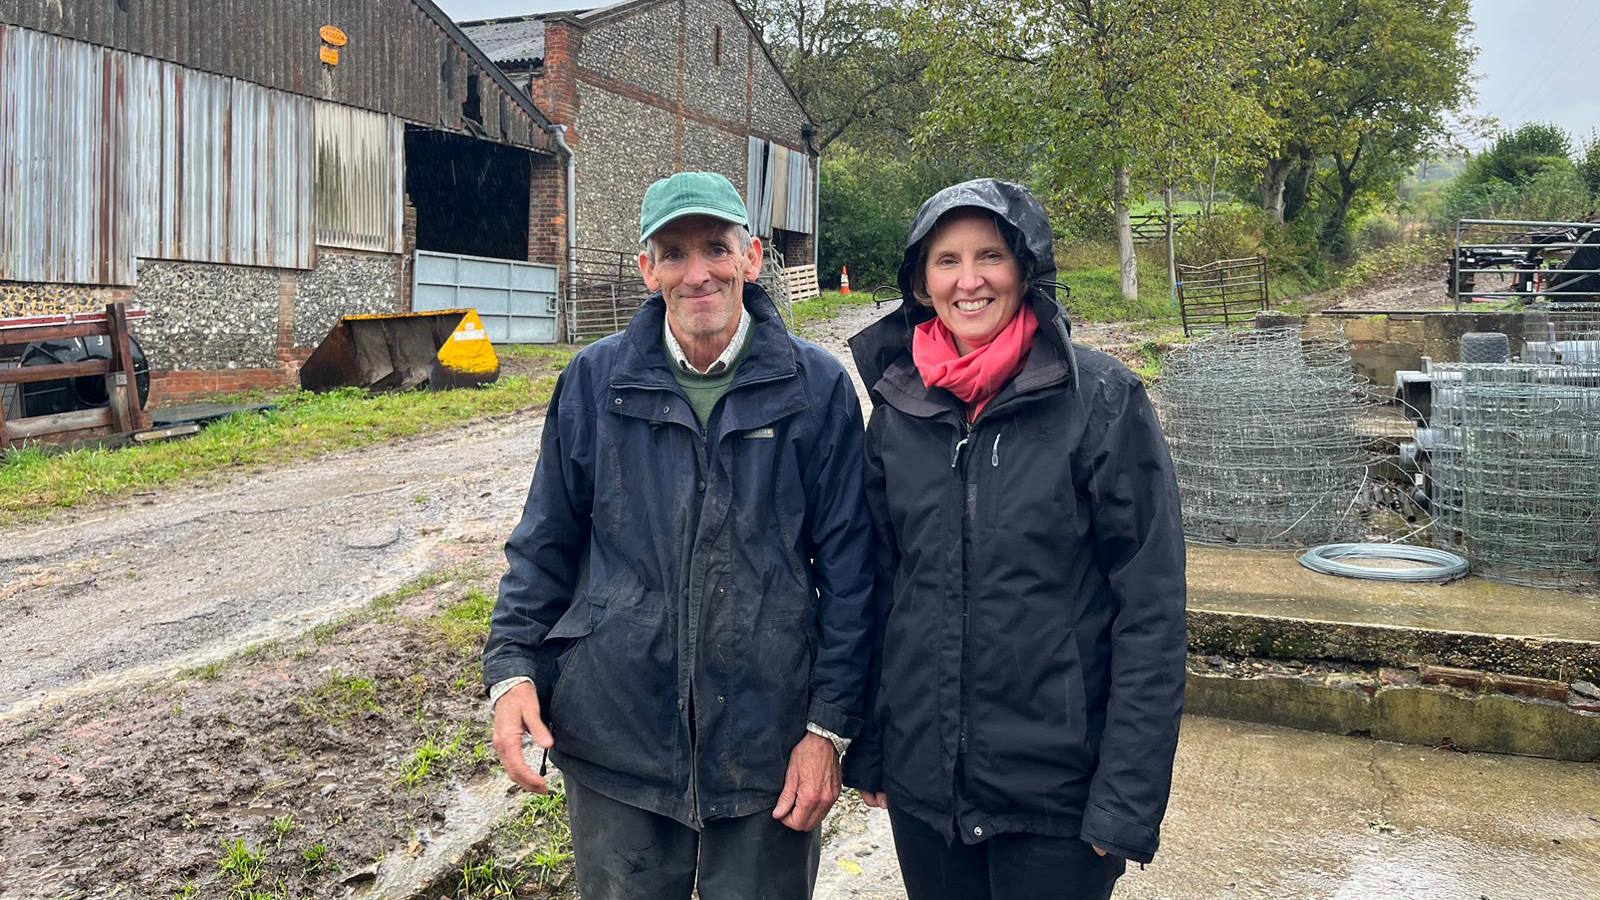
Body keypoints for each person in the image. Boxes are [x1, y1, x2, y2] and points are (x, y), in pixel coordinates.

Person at [483, 171, 875, 900]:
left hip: (767, 745)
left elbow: (854, 575)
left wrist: (828, 730)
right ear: (647, 268)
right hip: (617, 738)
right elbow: (544, 544)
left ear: (752, 257)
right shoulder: (594, 383)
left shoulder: (815, 389)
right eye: (674, 252)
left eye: (716, 248)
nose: (698, 273)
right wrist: (511, 671)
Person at [843, 178, 1187, 900]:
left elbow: (1151, 615)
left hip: (1056, 796)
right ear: (920, 280)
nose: (969, 281)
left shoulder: (1101, 402)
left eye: (990, 256)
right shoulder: (899, 409)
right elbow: (881, 588)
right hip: (926, 790)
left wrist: (1124, 801)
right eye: (946, 260)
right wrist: (875, 748)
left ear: (1026, 268)